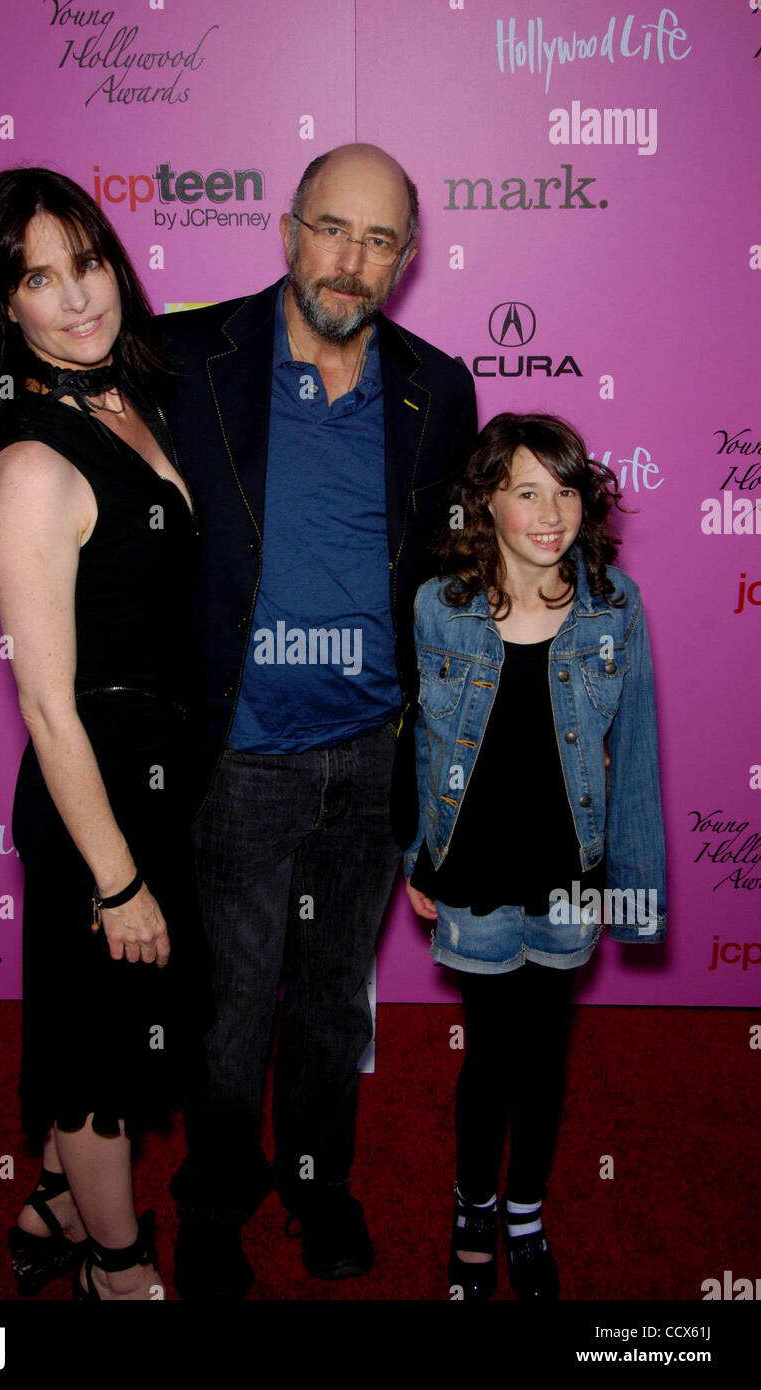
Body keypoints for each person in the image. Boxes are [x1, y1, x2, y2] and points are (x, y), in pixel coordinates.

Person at [152, 142, 477, 1299]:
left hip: (374, 753)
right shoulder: (191, 358)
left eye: (379, 239)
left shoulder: (436, 387)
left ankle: (316, 1182)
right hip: (242, 756)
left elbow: (445, 579)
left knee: (337, 995)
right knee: (233, 1001)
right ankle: (213, 1203)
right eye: (332, 229)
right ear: (288, 230)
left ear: (405, 258)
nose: (349, 261)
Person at [0, 167, 207, 1300]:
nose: (75, 297)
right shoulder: (33, 465)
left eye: (87, 263)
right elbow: (47, 705)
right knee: (100, 1061)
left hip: (160, 783)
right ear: (3, 307)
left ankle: (53, 1197)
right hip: (90, 805)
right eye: (37, 279)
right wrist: (115, 882)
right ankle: (118, 1266)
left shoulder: (129, 401)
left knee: (125, 1025)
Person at [404, 412, 666, 1300]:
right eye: (525, 491)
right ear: (486, 502)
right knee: (488, 1057)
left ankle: (525, 1211)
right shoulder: (438, 606)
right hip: (472, 872)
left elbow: (633, 755)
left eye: (563, 489)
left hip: (568, 876)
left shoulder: (612, 602)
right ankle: (472, 1208)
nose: (549, 512)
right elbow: (418, 746)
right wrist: (417, 859)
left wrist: (632, 893)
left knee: (543, 1058)